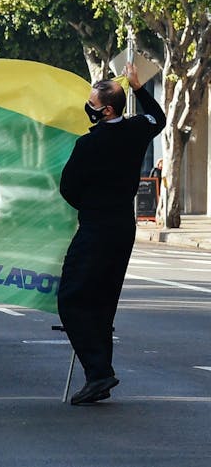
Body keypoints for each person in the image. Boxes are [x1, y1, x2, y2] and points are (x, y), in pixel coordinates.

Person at [58, 62, 164, 405]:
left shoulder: (87, 146)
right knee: (103, 303)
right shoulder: (136, 131)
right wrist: (137, 87)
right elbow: (158, 118)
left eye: (91, 105)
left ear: (105, 110)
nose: (87, 109)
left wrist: (87, 205)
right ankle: (100, 375)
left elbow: (68, 188)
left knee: (71, 298)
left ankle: (98, 371)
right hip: (124, 226)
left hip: (96, 226)